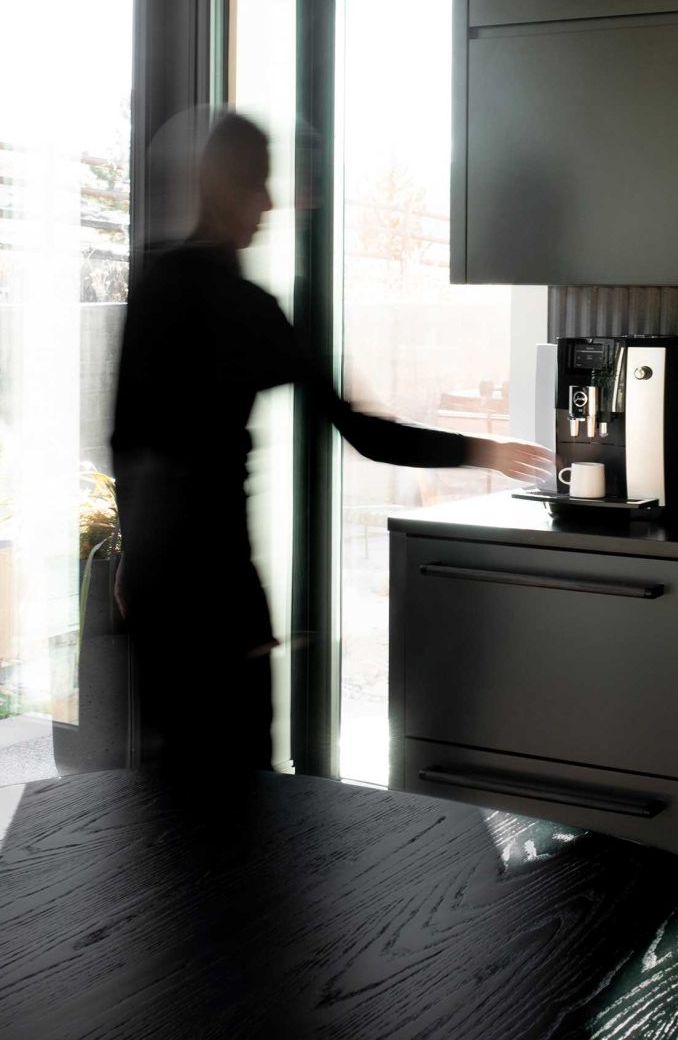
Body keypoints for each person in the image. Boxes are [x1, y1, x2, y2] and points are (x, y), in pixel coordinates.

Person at [112, 112, 551, 774]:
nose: (268, 203)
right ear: (221, 187)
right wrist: (484, 453)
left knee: (168, 797)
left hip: (156, 587)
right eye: (256, 184)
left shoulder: (156, 286)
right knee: (241, 790)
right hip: (220, 590)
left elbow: (126, 440)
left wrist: (130, 554)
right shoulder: (248, 309)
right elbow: (363, 432)